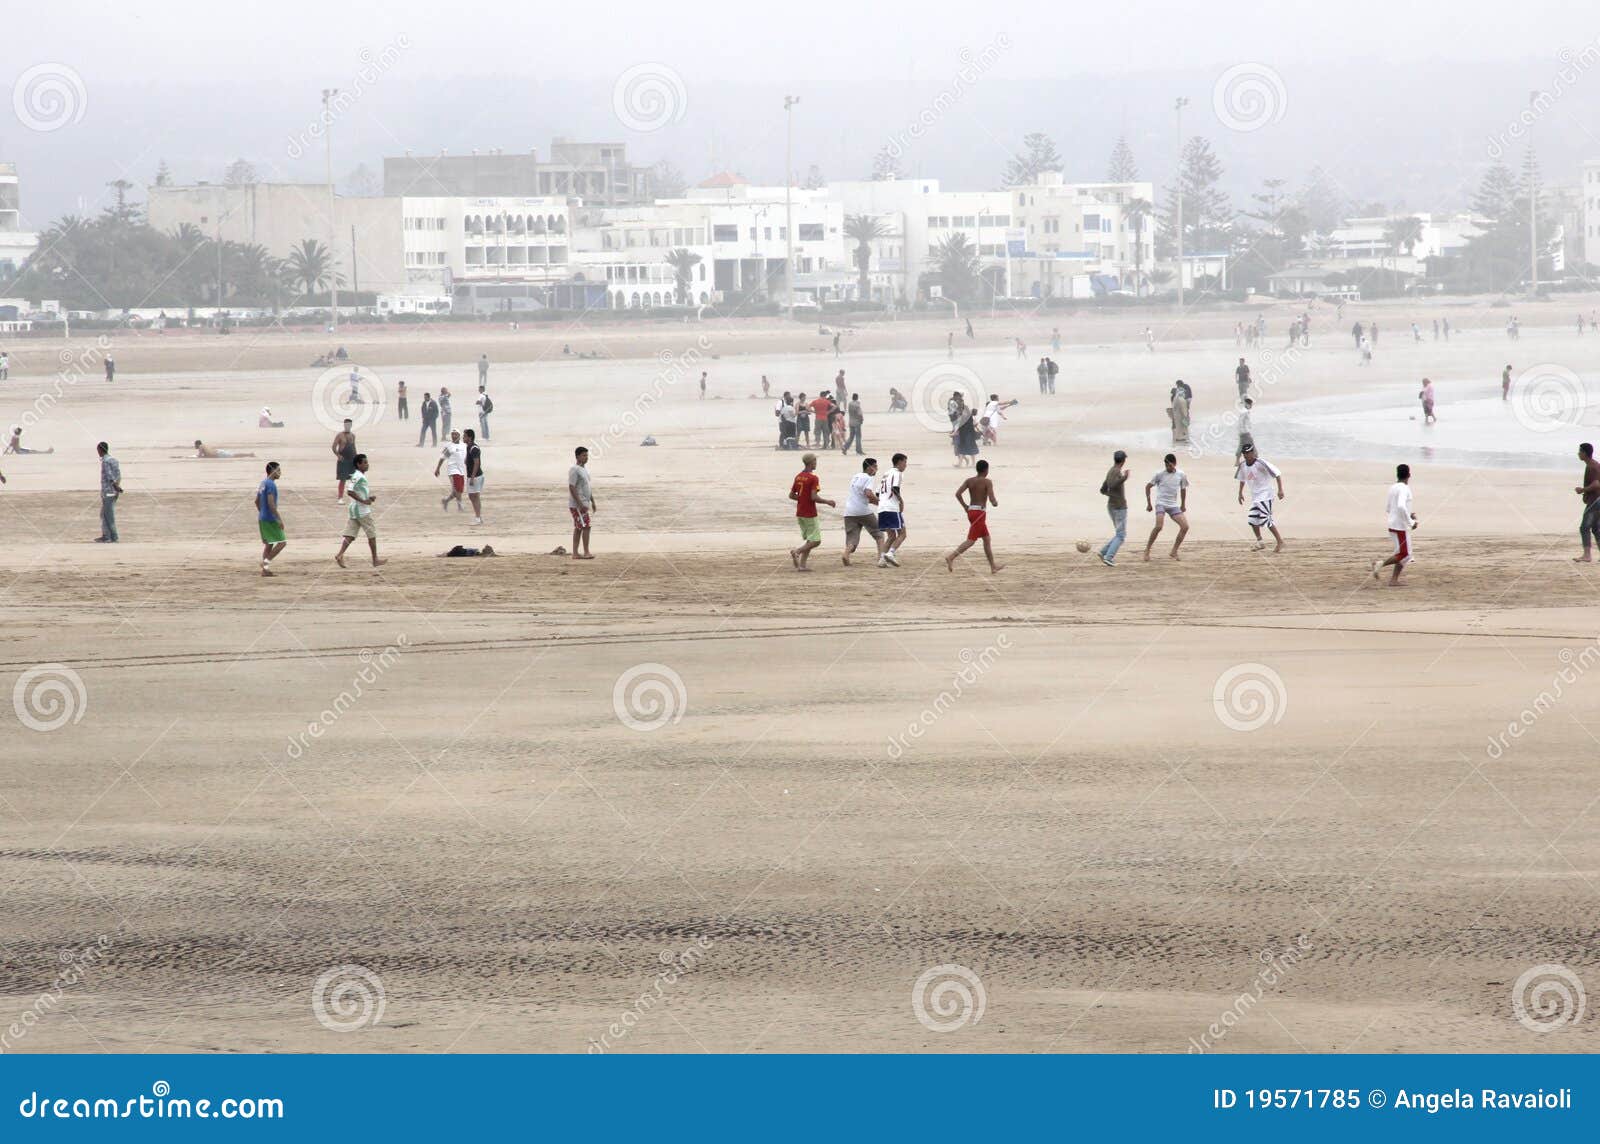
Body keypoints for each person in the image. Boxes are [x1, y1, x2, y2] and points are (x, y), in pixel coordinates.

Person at [946, 459, 1002, 573]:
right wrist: (995, 503)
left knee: (986, 539)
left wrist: (965, 506)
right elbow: (992, 499)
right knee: (971, 540)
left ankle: (993, 567)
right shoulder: (987, 482)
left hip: (971, 511)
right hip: (979, 514)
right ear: (986, 470)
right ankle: (951, 557)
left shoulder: (969, 481)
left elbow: (958, 494)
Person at [335, 454, 383, 568]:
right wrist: (364, 501)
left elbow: (356, 491)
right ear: (358, 464)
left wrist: (368, 498)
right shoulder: (358, 476)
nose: (367, 465)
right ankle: (375, 560)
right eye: (365, 463)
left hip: (355, 510)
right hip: (362, 511)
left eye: (367, 462)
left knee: (350, 535)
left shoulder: (358, 475)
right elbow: (350, 491)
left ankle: (340, 555)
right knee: (372, 535)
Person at [1235, 445, 1286, 553]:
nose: (1246, 455)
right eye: (1244, 453)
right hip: (1255, 497)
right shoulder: (1243, 465)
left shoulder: (1261, 463)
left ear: (1253, 453)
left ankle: (1280, 541)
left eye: (1248, 453)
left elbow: (1277, 474)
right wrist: (1240, 493)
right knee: (1252, 520)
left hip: (1266, 495)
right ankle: (1260, 542)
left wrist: (1280, 490)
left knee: (1266, 519)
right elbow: (1242, 479)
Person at [1372, 463, 1417, 586]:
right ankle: (1379, 564)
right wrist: (1411, 521)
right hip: (1400, 526)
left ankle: (1394, 580)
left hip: (1394, 524)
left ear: (1397, 474)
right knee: (1405, 554)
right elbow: (1401, 506)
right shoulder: (1404, 488)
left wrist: (1408, 514)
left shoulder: (1393, 487)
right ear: (1409, 475)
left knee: (1405, 555)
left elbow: (1389, 508)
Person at [788, 452, 833, 571]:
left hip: (800, 512)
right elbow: (814, 497)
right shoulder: (813, 478)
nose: (816, 463)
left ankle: (802, 565)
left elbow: (791, 495)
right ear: (811, 462)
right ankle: (797, 551)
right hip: (809, 513)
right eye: (815, 461)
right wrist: (827, 501)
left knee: (810, 539)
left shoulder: (798, 476)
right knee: (816, 541)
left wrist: (802, 498)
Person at [841, 457, 888, 567]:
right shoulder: (868, 478)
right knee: (879, 534)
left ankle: (846, 554)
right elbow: (868, 493)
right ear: (869, 467)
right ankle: (881, 559)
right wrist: (879, 502)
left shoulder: (855, 476)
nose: (876, 469)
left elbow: (861, 494)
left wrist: (873, 501)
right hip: (862, 511)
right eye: (875, 466)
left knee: (852, 538)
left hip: (849, 511)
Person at [1143, 452, 1189, 562]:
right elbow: (1148, 487)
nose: (1168, 468)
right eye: (1166, 465)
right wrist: (1149, 503)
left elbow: (1183, 489)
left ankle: (1174, 551)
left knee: (1185, 527)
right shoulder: (1160, 474)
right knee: (1159, 526)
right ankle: (1147, 550)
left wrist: (1183, 504)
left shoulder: (1181, 474)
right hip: (1161, 503)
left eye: (1170, 465)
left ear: (1175, 464)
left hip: (1173, 505)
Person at [256, 461, 286, 576]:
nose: (280, 473)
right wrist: (278, 518)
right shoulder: (271, 484)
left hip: (262, 517)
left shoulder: (263, 483)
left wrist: (262, 513)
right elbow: (271, 503)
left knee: (269, 544)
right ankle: (265, 563)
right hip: (270, 518)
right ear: (272, 471)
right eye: (278, 470)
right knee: (282, 543)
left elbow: (256, 501)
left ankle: (265, 570)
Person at [878, 452, 907, 565]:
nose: (905, 465)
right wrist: (901, 501)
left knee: (891, 536)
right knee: (902, 534)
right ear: (899, 462)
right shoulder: (897, 473)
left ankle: (881, 559)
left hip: (882, 508)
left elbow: (877, 493)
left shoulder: (886, 474)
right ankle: (890, 553)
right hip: (891, 507)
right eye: (905, 462)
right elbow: (895, 489)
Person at [568, 445, 596, 560]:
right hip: (578, 505)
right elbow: (572, 487)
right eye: (584, 455)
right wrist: (579, 504)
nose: (586, 457)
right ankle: (584, 552)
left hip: (584, 503)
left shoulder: (584, 470)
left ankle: (577, 553)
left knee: (581, 527)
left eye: (587, 455)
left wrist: (593, 501)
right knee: (584, 527)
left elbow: (587, 487)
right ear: (578, 456)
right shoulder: (574, 469)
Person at [1577, 442, 1600, 563]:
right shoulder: (1594, 464)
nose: (1578, 454)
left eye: (1580, 451)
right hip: (1596, 500)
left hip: (1595, 501)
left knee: (1584, 527)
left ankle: (1587, 555)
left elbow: (1597, 484)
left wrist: (1583, 490)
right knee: (1596, 528)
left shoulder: (1592, 466)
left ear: (1585, 453)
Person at [96, 441, 121, 543]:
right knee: (105, 513)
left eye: (98, 450)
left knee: (107, 514)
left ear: (101, 450)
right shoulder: (114, 460)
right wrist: (117, 487)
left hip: (108, 491)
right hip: (114, 491)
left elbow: (109, 475)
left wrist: (115, 486)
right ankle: (108, 535)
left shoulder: (106, 461)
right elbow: (118, 475)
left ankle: (110, 536)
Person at [436, 429, 467, 512]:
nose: (454, 436)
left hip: (461, 469)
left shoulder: (463, 445)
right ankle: (460, 507)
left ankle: (446, 500)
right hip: (452, 469)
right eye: (452, 434)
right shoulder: (449, 446)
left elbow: (465, 458)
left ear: (459, 436)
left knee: (458, 490)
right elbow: (442, 458)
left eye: (456, 434)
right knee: (457, 489)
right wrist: (438, 468)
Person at [463, 428, 485, 525]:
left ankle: (478, 518)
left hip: (475, 476)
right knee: (474, 497)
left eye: (464, 436)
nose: (463, 438)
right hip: (473, 476)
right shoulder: (469, 447)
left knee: (473, 496)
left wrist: (472, 477)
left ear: (469, 437)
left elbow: (477, 463)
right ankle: (479, 517)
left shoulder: (474, 448)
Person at [332, 418, 356, 503]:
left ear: (351, 425)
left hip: (352, 460)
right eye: (346, 425)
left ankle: (353, 497)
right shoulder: (340, 435)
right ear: (344, 425)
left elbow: (354, 447)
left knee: (354, 479)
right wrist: (338, 455)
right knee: (343, 479)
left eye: (349, 425)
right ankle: (340, 498)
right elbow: (333, 447)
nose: (348, 426)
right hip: (343, 460)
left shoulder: (353, 435)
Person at [951, 397, 979, 467]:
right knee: (964, 447)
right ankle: (963, 463)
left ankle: (972, 463)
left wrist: (954, 432)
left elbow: (959, 423)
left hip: (967, 432)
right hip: (966, 432)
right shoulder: (964, 410)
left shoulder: (962, 411)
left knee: (968, 447)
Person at [1235, 397, 1256, 462]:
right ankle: (1255, 458)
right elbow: (1241, 422)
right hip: (1245, 432)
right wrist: (1245, 431)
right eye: (1250, 404)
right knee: (1251, 444)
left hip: (1242, 432)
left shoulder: (1243, 411)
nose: (1251, 406)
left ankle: (1237, 461)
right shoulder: (1245, 412)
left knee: (1241, 446)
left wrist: (1240, 431)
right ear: (1247, 404)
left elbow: (1240, 422)